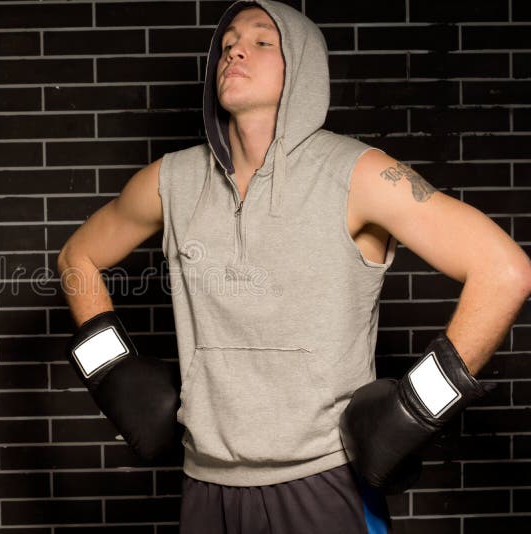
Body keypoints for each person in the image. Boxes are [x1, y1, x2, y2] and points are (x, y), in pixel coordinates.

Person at [56, 1, 531, 532]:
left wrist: (418, 407)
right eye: (228, 42)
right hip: (205, 484)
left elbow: (503, 269)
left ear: (302, 68)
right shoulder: (171, 181)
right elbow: (79, 257)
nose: (234, 48)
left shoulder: (360, 175)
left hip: (325, 484)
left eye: (262, 41)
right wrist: (111, 373)